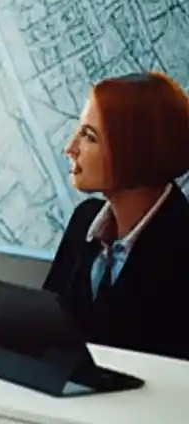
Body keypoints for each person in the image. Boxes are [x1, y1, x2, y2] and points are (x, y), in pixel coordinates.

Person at [45, 72, 189, 361]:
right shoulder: (84, 221)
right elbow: (50, 326)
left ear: (135, 151)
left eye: (88, 136)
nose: (71, 148)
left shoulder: (182, 245)